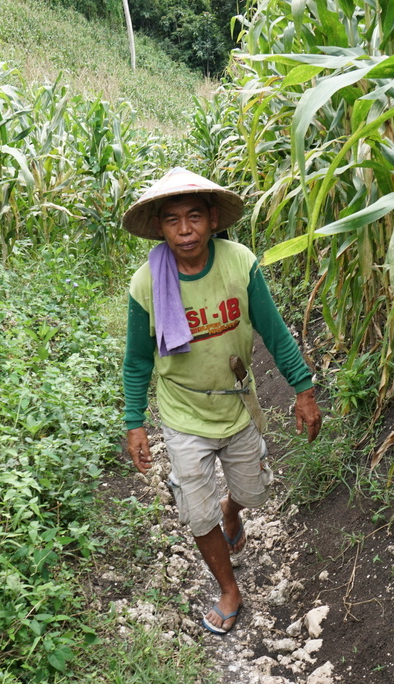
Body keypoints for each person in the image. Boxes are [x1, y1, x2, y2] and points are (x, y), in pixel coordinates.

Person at [121, 168, 321, 636]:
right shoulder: (147, 284)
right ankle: (229, 589)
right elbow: (137, 361)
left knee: (253, 493)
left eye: (194, 217)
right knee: (196, 511)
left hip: (235, 403)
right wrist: (135, 422)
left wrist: (304, 391)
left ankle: (233, 509)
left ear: (213, 219)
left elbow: (274, 331)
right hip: (183, 411)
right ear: (159, 228)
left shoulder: (239, 263)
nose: (185, 230)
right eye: (172, 220)